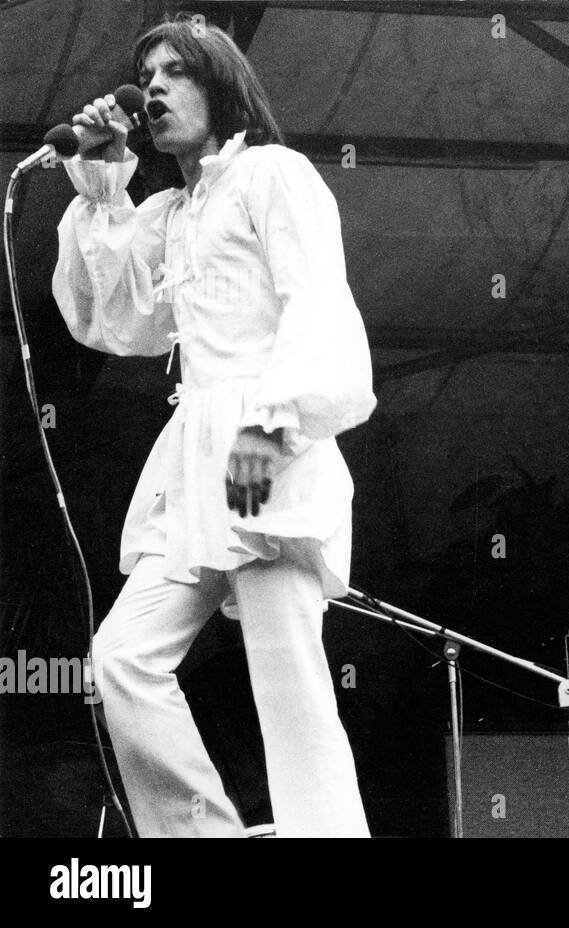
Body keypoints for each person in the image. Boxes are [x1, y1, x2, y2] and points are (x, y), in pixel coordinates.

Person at [51, 14, 374, 837]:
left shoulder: (273, 174)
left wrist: (269, 438)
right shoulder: (173, 210)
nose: (152, 87)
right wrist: (103, 183)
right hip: (192, 458)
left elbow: (317, 303)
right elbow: (115, 318)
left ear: (220, 87)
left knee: (289, 680)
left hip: (266, 441)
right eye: (144, 74)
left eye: (174, 72)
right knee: (124, 656)